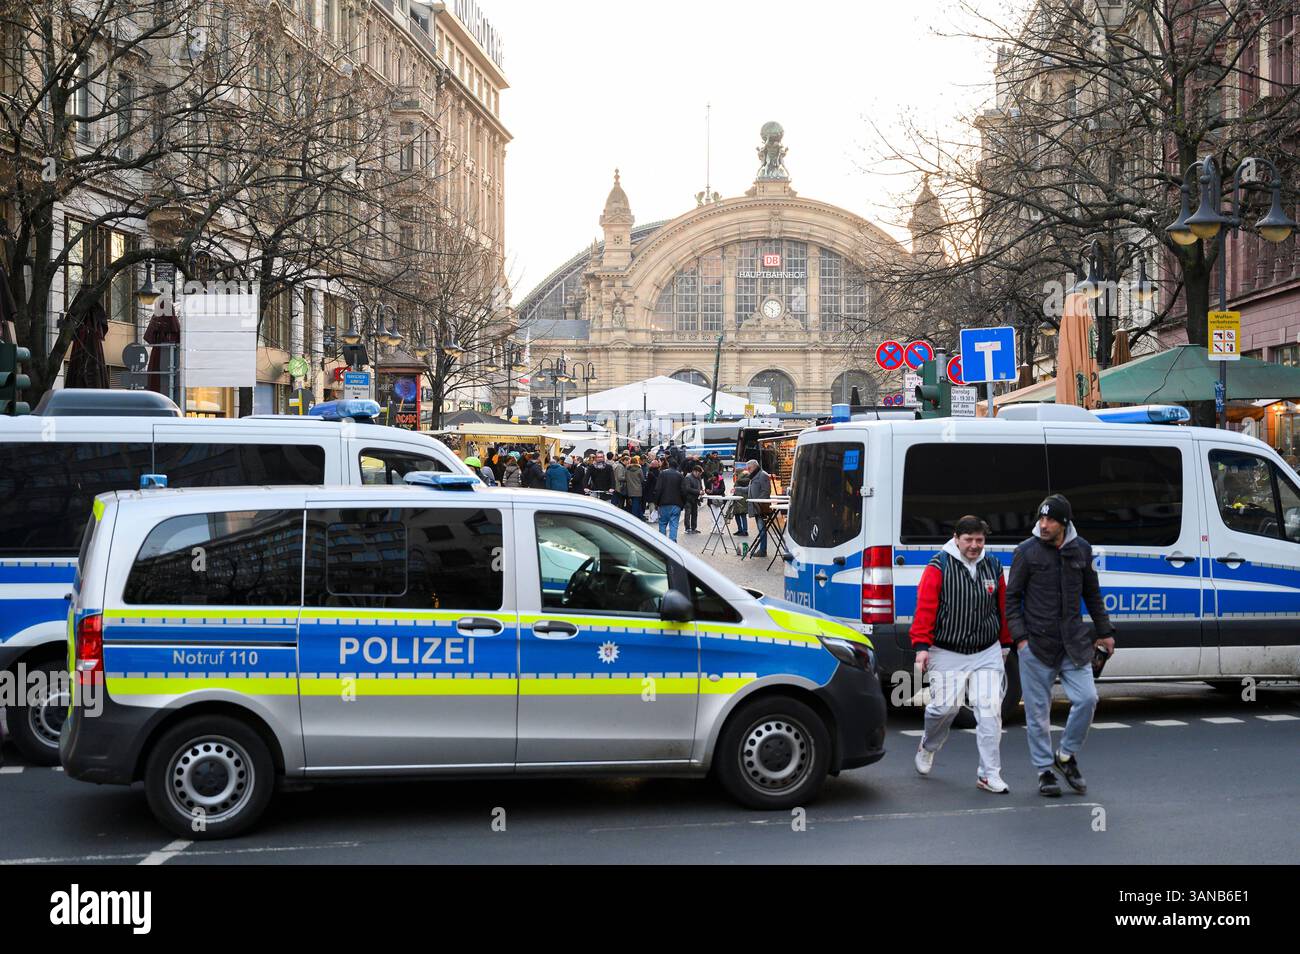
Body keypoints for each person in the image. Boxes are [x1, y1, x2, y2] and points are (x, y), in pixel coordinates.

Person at [1006, 494, 1116, 798]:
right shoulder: (1026, 553)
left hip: (1074, 643)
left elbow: (1092, 594)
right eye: (1040, 519)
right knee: (1038, 714)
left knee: (1087, 698)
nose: (1043, 525)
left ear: (1064, 522)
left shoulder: (1081, 549)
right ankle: (1044, 771)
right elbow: (1011, 599)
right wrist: (1021, 640)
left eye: (1050, 519)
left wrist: (1105, 633)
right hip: (1036, 645)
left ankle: (1065, 756)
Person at [910, 515, 1013, 794]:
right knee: (945, 708)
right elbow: (926, 607)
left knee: (990, 710)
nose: (975, 546)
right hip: (947, 650)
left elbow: (1001, 606)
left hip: (986, 650)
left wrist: (1005, 642)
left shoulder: (992, 565)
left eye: (980, 540)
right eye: (969, 540)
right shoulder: (938, 566)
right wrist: (921, 647)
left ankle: (988, 774)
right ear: (956, 538)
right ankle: (927, 746)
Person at [744, 459, 772, 557]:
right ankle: (761, 549)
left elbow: (766, 491)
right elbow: (750, 489)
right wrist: (738, 489)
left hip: (760, 507)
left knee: (762, 529)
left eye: (749, 468)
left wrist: (757, 502)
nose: (748, 470)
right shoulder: (755, 475)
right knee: (761, 529)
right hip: (756, 506)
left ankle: (762, 550)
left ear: (755, 467)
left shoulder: (762, 475)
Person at [653, 457, 685, 542]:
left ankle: (662, 542)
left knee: (662, 523)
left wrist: (656, 502)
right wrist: (682, 504)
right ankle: (672, 541)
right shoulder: (680, 475)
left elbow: (658, 489)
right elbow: (683, 491)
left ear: (669, 465)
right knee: (674, 524)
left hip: (663, 503)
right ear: (676, 467)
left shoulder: (662, 474)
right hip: (676, 503)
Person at [682, 465, 704, 534]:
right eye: (699, 473)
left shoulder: (698, 478)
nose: (699, 475)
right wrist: (698, 491)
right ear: (695, 471)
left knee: (695, 514)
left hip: (695, 499)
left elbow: (700, 486)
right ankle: (687, 528)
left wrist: (702, 490)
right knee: (688, 514)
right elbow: (687, 489)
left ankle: (694, 528)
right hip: (688, 498)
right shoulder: (688, 478)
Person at [731, 465, 751, 536]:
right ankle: (740, 530)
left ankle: (745, 531)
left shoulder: (744, 478)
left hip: (742, 498)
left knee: (742, 514)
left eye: (736, 474)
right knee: (737, 514)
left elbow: (740, 483)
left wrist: (738, 478)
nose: (736, 476)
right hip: (737, 498)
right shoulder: (741, 478)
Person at [625, 454, 645, 519]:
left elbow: (626, 478)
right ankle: (635, 518)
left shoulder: (627, 470)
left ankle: (641, 516)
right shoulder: (639, 470)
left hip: (630, 489)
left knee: (635, 503)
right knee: (636, 504)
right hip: (638, 489)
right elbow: (642, 479)